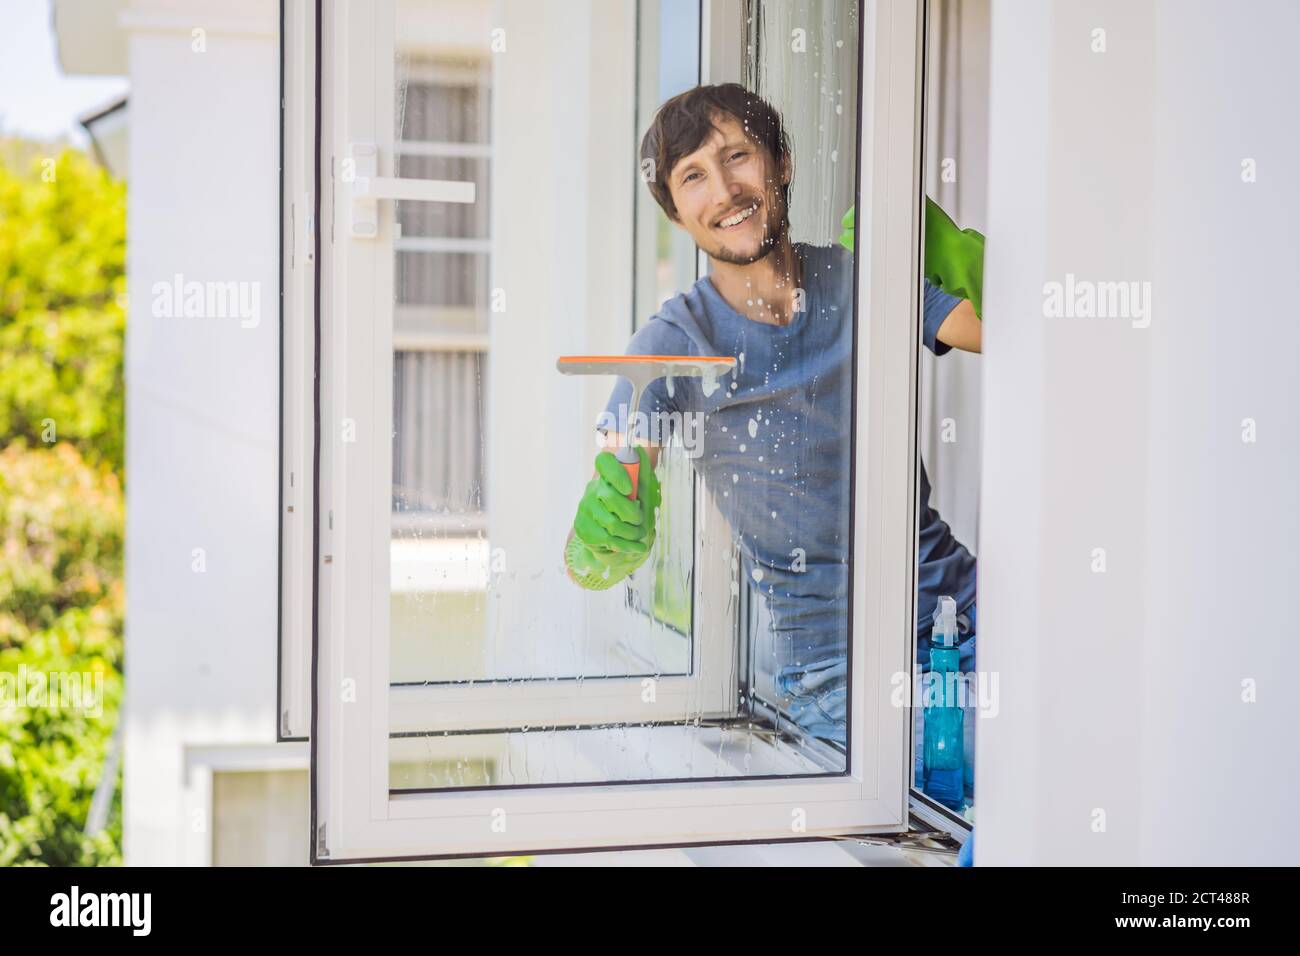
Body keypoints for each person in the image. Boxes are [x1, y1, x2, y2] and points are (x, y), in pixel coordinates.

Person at [563, 83, 979, 747]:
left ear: (781, 162)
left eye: (737, 157)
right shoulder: (672, 343)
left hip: (968, 612)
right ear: (676, 212)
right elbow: (614, 485)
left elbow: (1015, 342)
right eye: (693, 176)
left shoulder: (862, 280)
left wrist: (973, 269)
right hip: (837, 671)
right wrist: (600, 542)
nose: (724, 190)